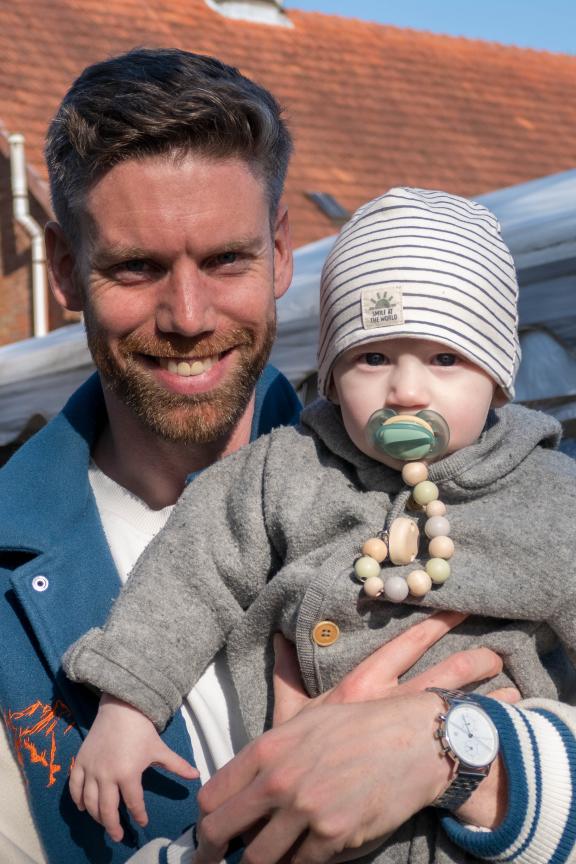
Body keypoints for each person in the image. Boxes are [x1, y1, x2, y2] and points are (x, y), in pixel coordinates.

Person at [0, 49, 506, 864]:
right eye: (137, 267)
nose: (188, 315)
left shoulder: (473, 476)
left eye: (226, 259)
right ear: (63, 269)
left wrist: (460, 753)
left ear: (280, 252)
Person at [64, 187, 576, 864]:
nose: (407, 390)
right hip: (299, 824)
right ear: (332, 375)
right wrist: (127, 707)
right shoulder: (285, 469)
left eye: (445, 359)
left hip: (484, 825)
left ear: (499, 378)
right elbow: (191, 570)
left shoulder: (551, 497)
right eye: (373, 358)